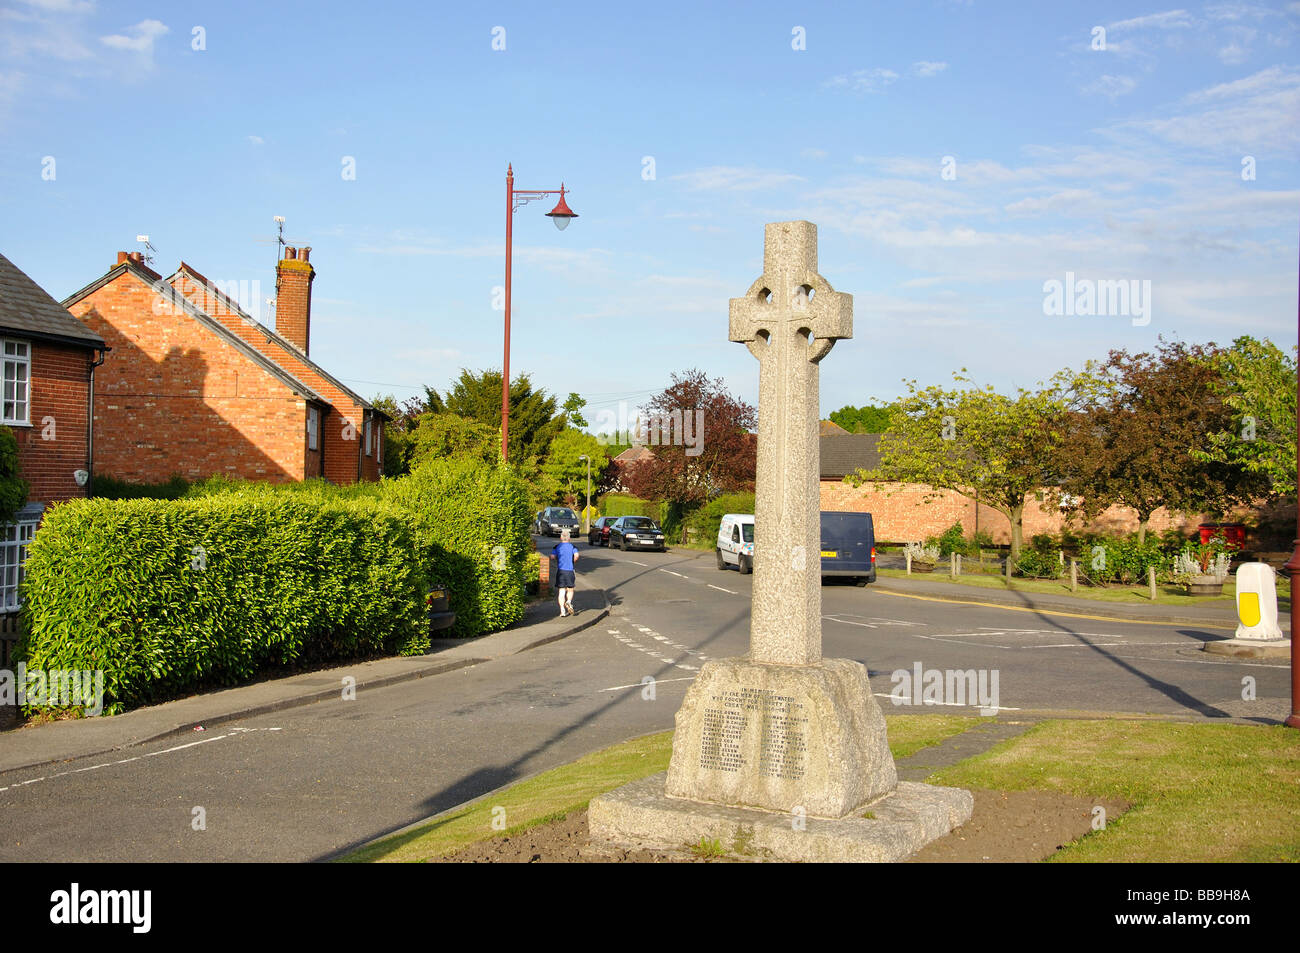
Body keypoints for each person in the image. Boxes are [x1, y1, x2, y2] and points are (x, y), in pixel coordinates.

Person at [552, 529, 579, 617]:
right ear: (569, 538)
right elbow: (576, 556)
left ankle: (562, 611)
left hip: (561, 571)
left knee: (561, 591)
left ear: (560, 538)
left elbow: (552, 556)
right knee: (570, 589)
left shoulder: (557, 547)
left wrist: (554, 557)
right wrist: (573, 561)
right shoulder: (572, 547)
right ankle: (568, 602)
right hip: (570, 571)